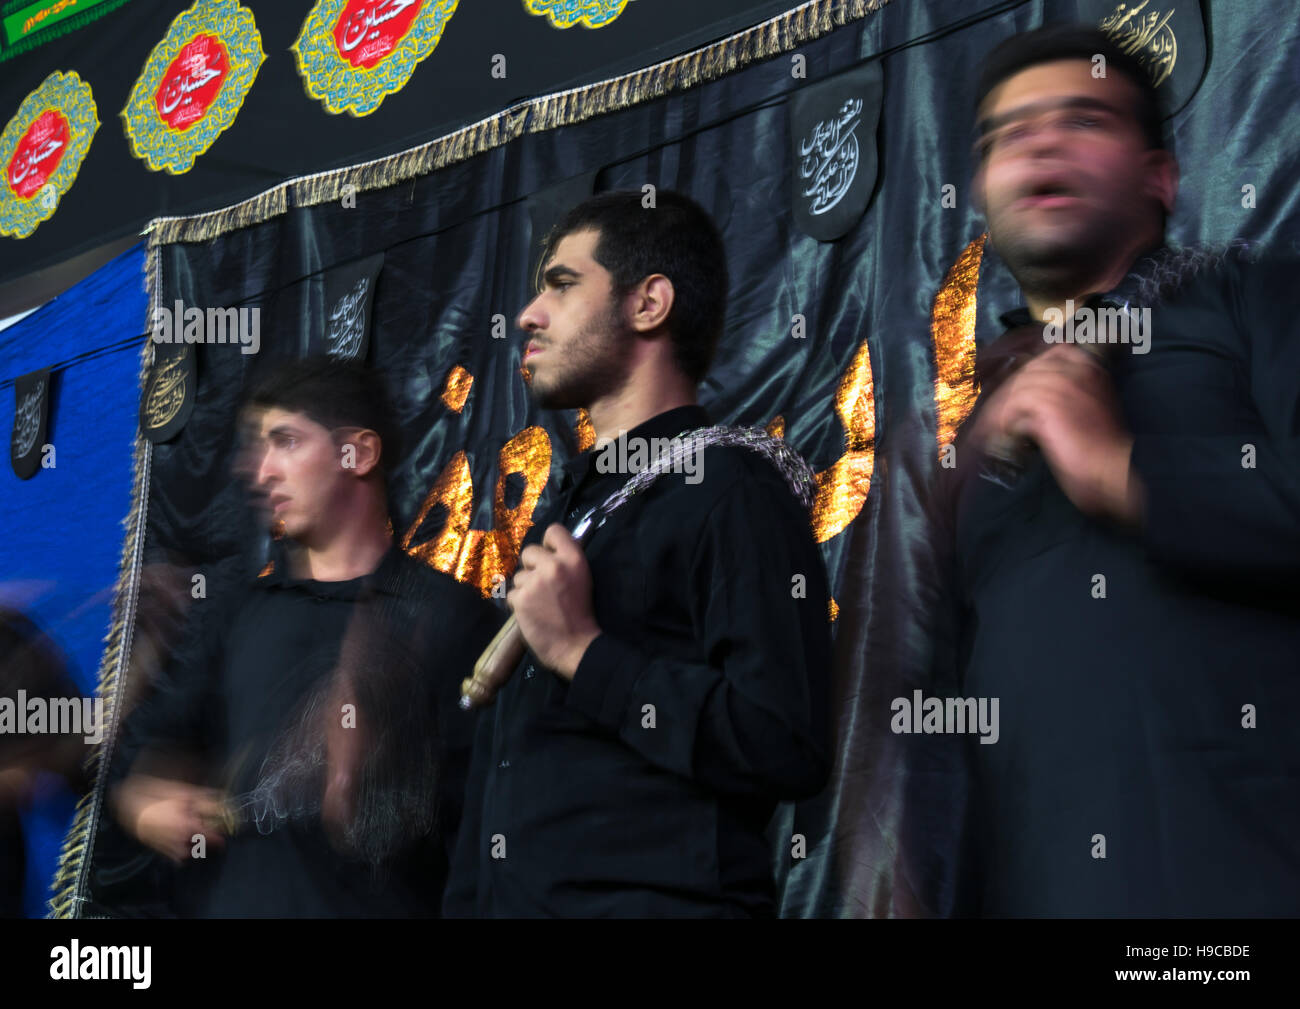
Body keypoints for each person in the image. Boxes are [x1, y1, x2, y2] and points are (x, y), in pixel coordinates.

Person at [928, 24, 1300, 915]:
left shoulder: (1256, 296)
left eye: (1080, 120)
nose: (1040, 145)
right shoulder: (968, 431)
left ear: (1159, 177)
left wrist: (1123, 472)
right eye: (1007, 135)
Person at [444, 190, 832, 917]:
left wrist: (585, 655)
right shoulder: (569, 506)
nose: (529, 314)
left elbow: (785, 742)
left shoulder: (734, 492)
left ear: (649, 302)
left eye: (561, 284)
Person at [109, 357, 501, 916]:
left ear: (357, 453)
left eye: (285, 441)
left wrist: (380, 788)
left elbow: (481, 828)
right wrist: (147, 807)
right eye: (260, 447)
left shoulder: (447, 617)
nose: (261, 471)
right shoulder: (239, 614)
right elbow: (148, 764)